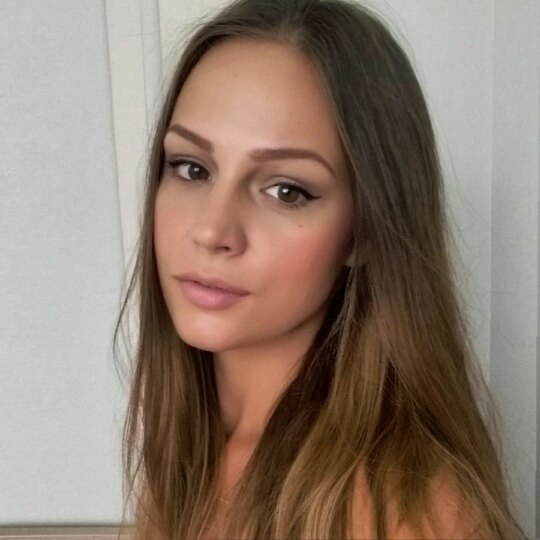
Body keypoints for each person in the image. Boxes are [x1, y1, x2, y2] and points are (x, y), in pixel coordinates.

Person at [113, 0, 527, 538]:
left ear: (365, 229)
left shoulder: (406, 511)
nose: (213, 231)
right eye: (192, 168)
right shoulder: (190, 450)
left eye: (287, 191)